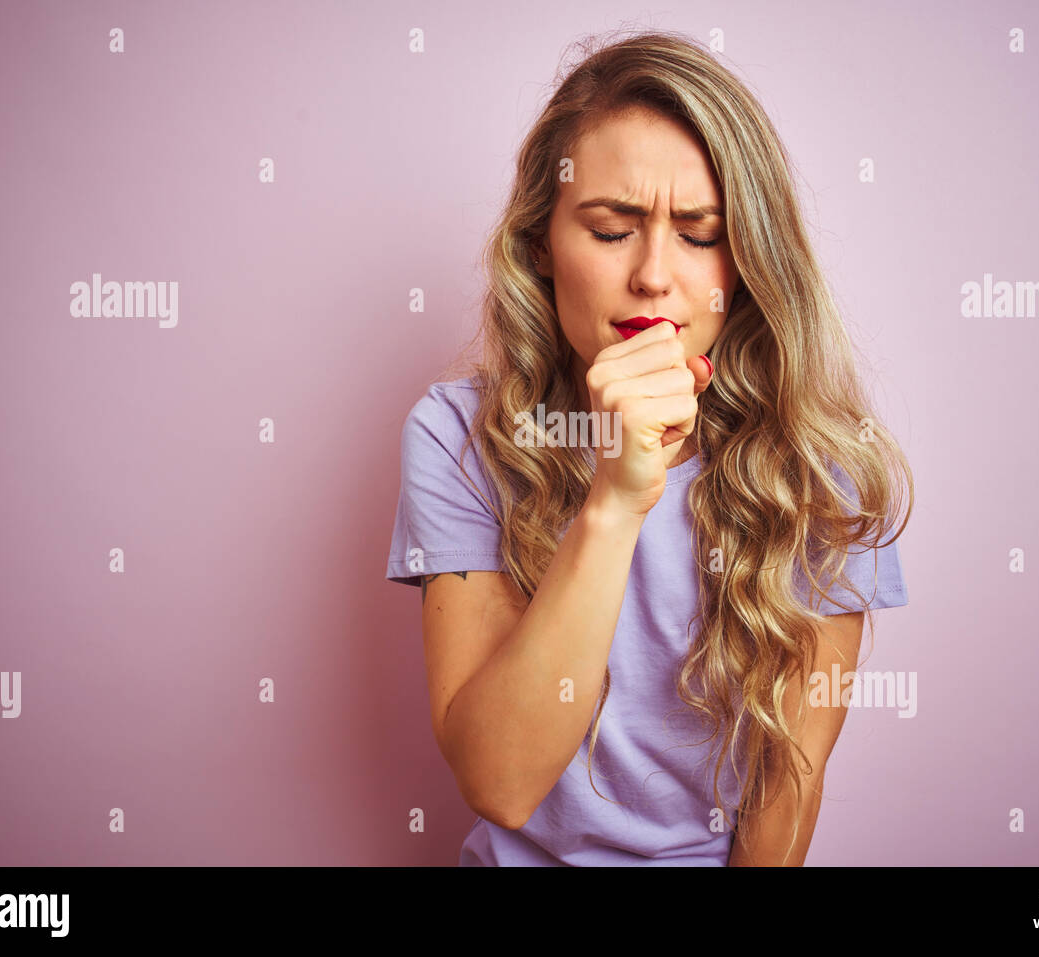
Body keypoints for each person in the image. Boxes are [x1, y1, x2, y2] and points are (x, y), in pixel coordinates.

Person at [385, 29, 913, 866]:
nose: (655, 277)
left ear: (744, 266)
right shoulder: (455, 438)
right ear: (542, 246)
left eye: (700, 234)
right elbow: (499, 779)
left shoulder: (821, 465)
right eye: (610, 229)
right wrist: (617, 495)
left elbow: (787, 795)